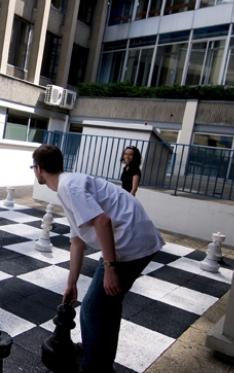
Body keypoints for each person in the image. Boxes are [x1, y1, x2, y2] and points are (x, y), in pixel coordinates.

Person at [31, 144, 164, 372]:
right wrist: (71, 284)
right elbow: (77, 242)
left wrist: (110, 268)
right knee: (106, 306)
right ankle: (98, 356)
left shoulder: (68, 187)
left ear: (39, 169)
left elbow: (102, 221)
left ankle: (94, 367)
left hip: (130, 241)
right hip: (134, 236)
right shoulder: (69, 184)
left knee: (93, 308)